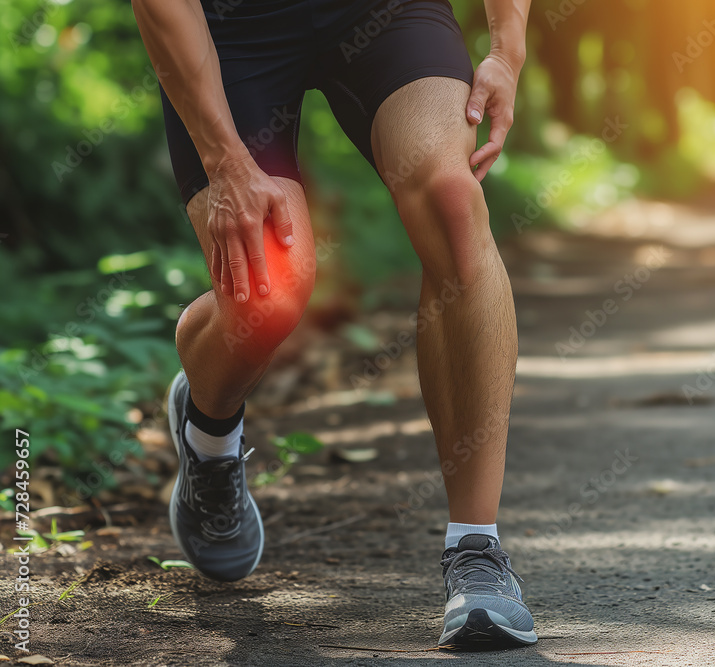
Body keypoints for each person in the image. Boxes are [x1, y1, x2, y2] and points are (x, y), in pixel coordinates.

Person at [131, 0, 535, 650]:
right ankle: (208, 428)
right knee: (269, 289)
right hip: (231, 27)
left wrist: (506, 46)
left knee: (452, 201)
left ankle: (477, 551)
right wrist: (226, 161)